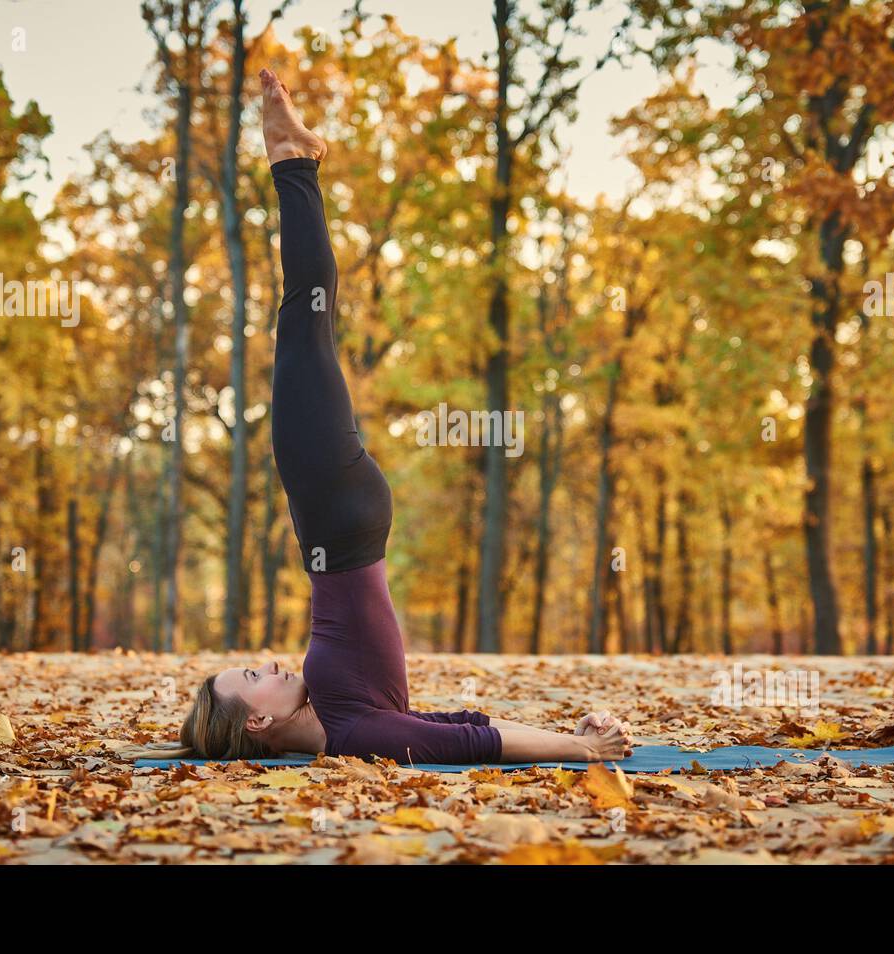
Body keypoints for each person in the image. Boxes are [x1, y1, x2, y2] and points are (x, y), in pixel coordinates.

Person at [174, 68, 632, 767]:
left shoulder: (344, 718)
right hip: (332, 504)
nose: (268, 664)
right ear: (259, 725)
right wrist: (584, 746)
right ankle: (289, 158)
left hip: (341, 515)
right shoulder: (355, 735)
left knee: (310, 317)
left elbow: (453, 720)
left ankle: (294, 159)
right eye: (254, 677)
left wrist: (573, 735)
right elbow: (471, 738)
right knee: (304, 315)